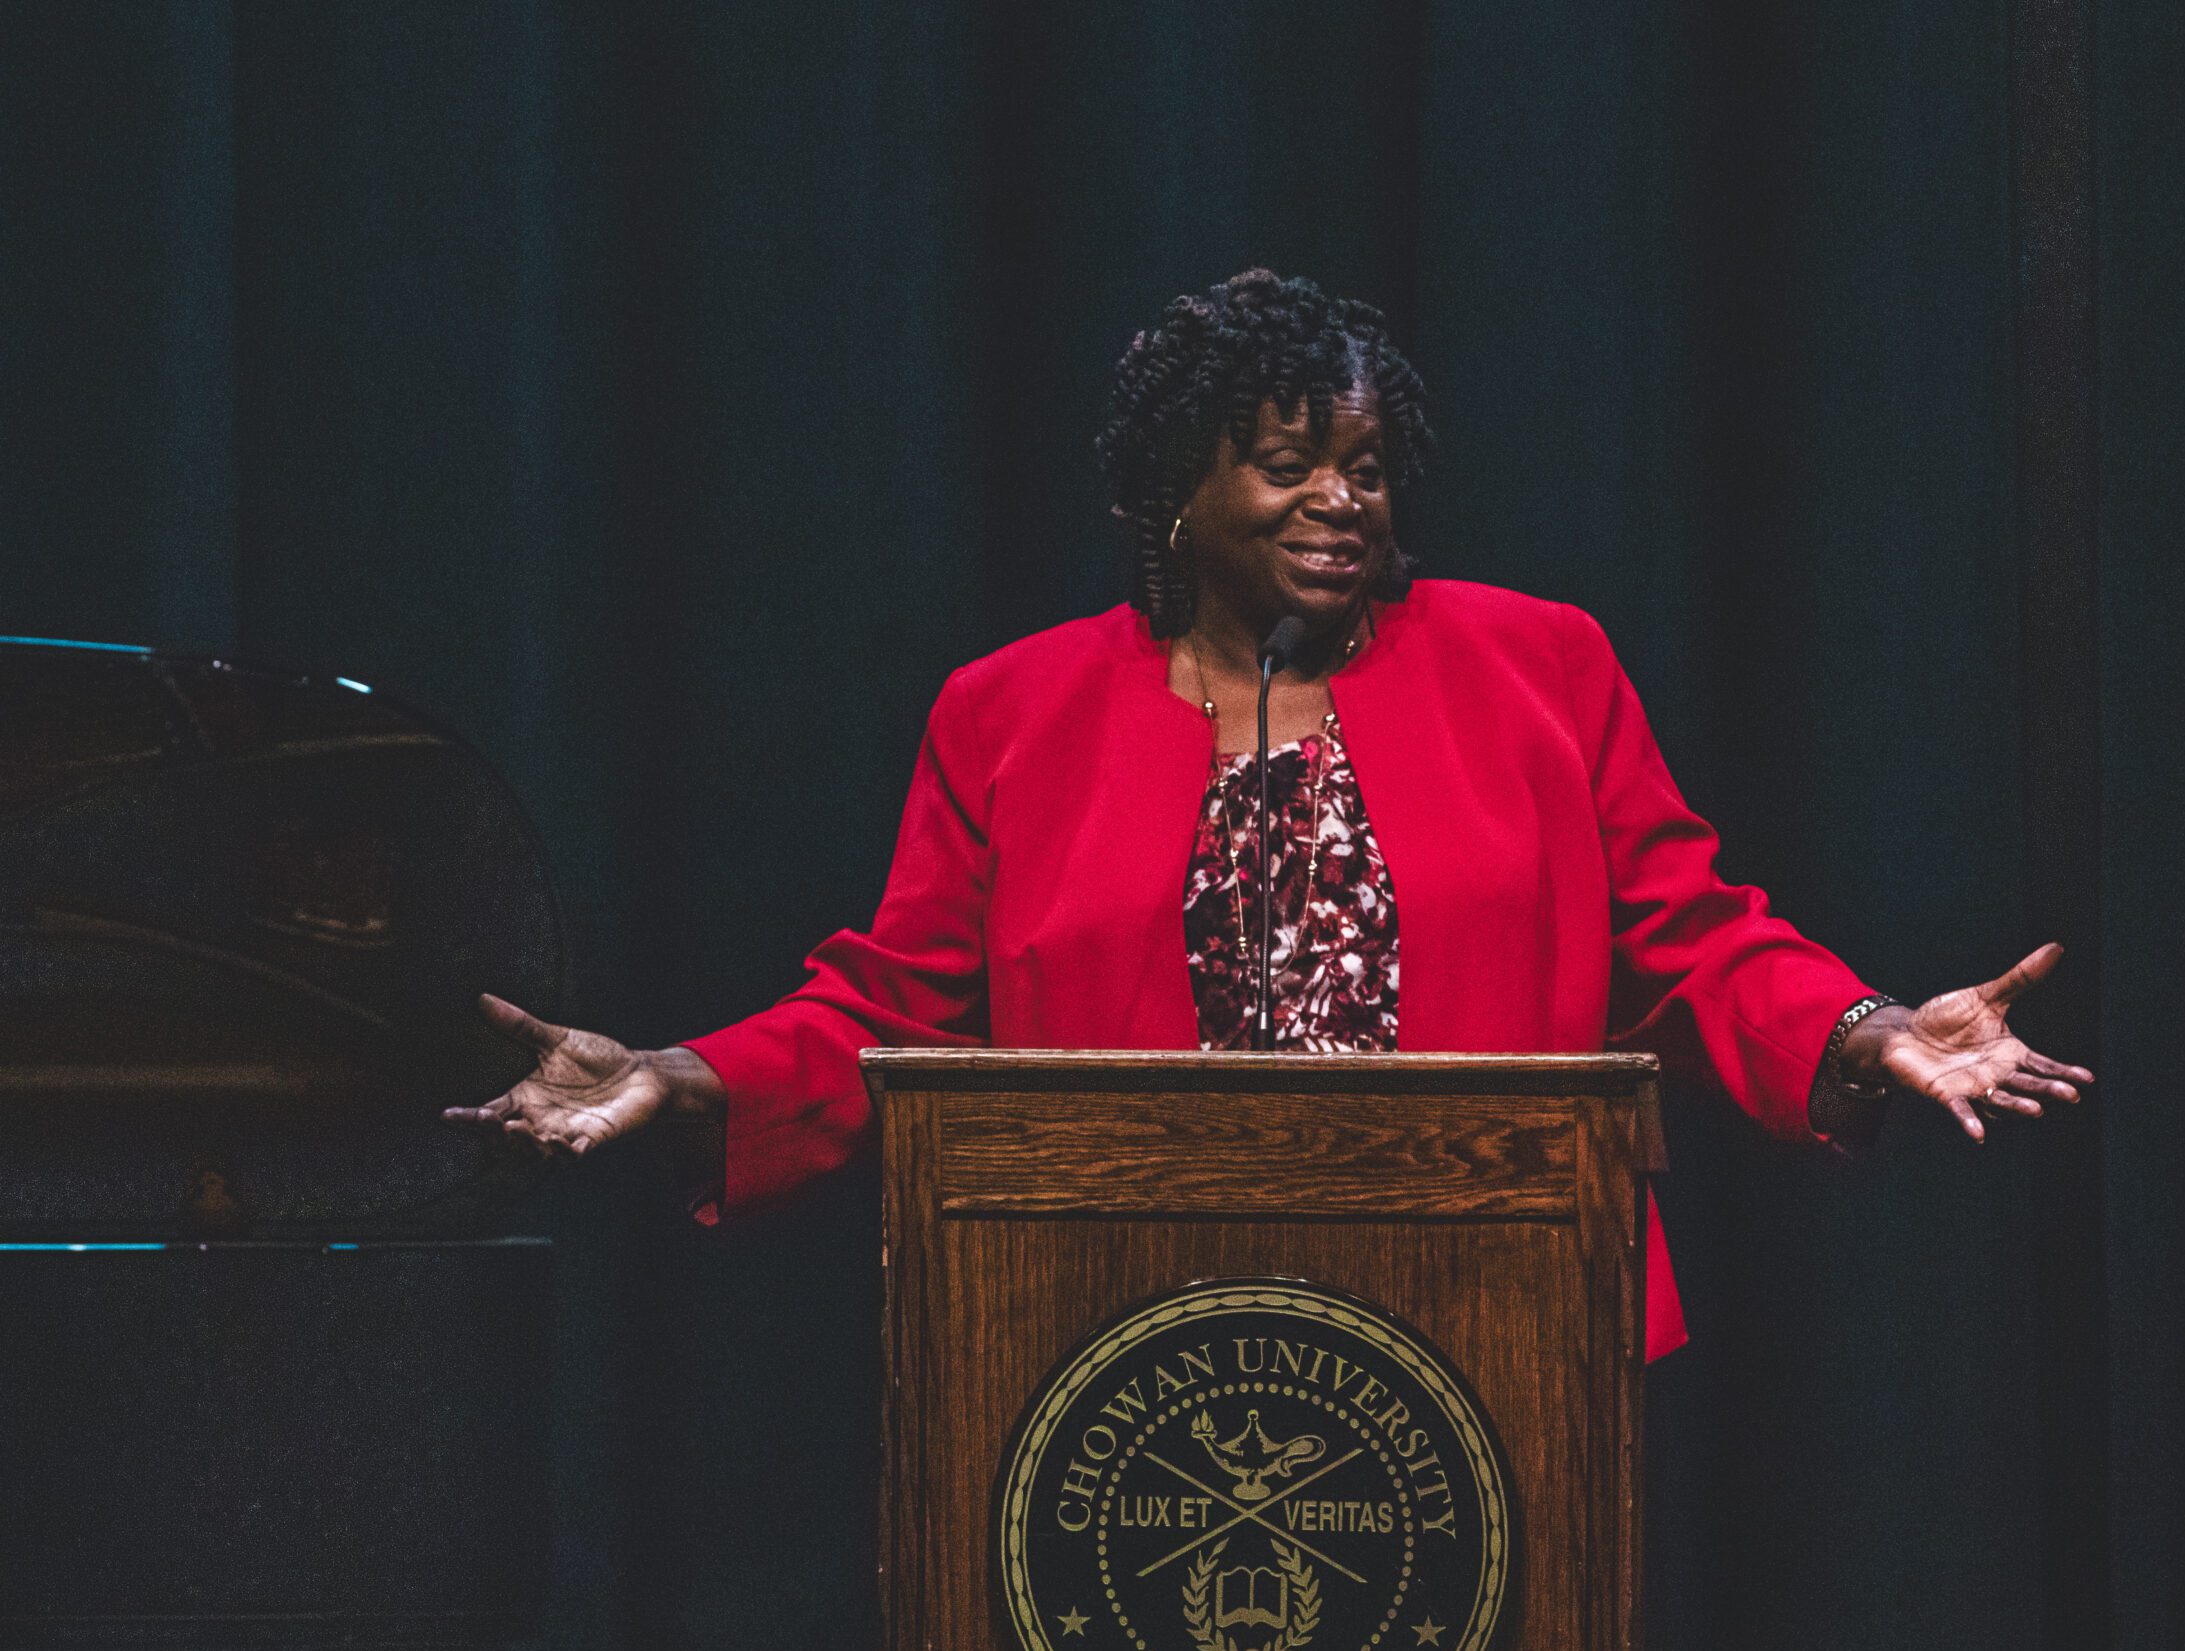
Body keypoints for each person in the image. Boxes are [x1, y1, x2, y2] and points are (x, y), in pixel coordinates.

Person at [444, 269, 2092, 1358]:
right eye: (1286, 462)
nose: (1339, 499)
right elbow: (888, 1004)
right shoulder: (1009, 711)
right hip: (1122, 1315)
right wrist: (679, 1077)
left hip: (1488, 1303)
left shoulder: (1545, 665)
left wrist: (1873, 1029)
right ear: (1180, 485)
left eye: (1368, 468)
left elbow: (1703, 929)